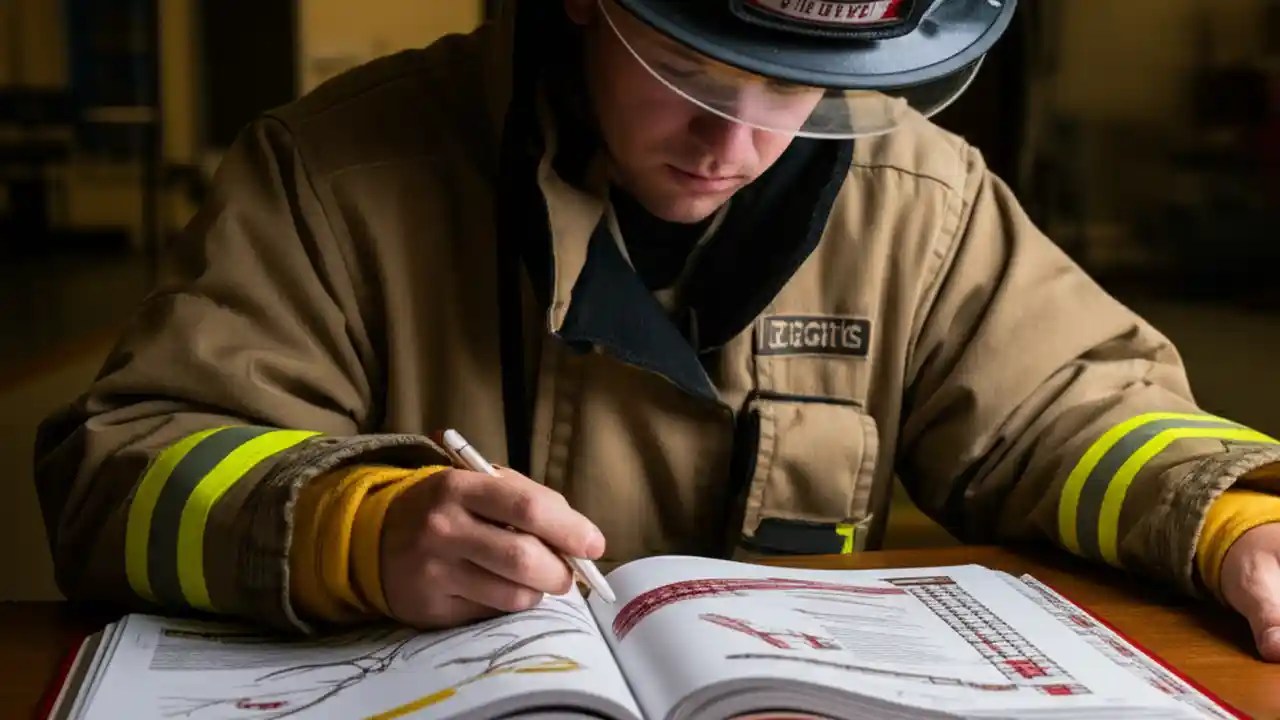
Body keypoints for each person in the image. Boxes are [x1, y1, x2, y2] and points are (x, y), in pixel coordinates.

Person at [32, 0, 1280, 663]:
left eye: (793, 86)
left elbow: (1075, 414)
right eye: (692, 72)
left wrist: (1227, 522)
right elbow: (117, 474)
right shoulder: (330, 176)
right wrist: (351, 531)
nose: (735, 146)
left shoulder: (927, 200)